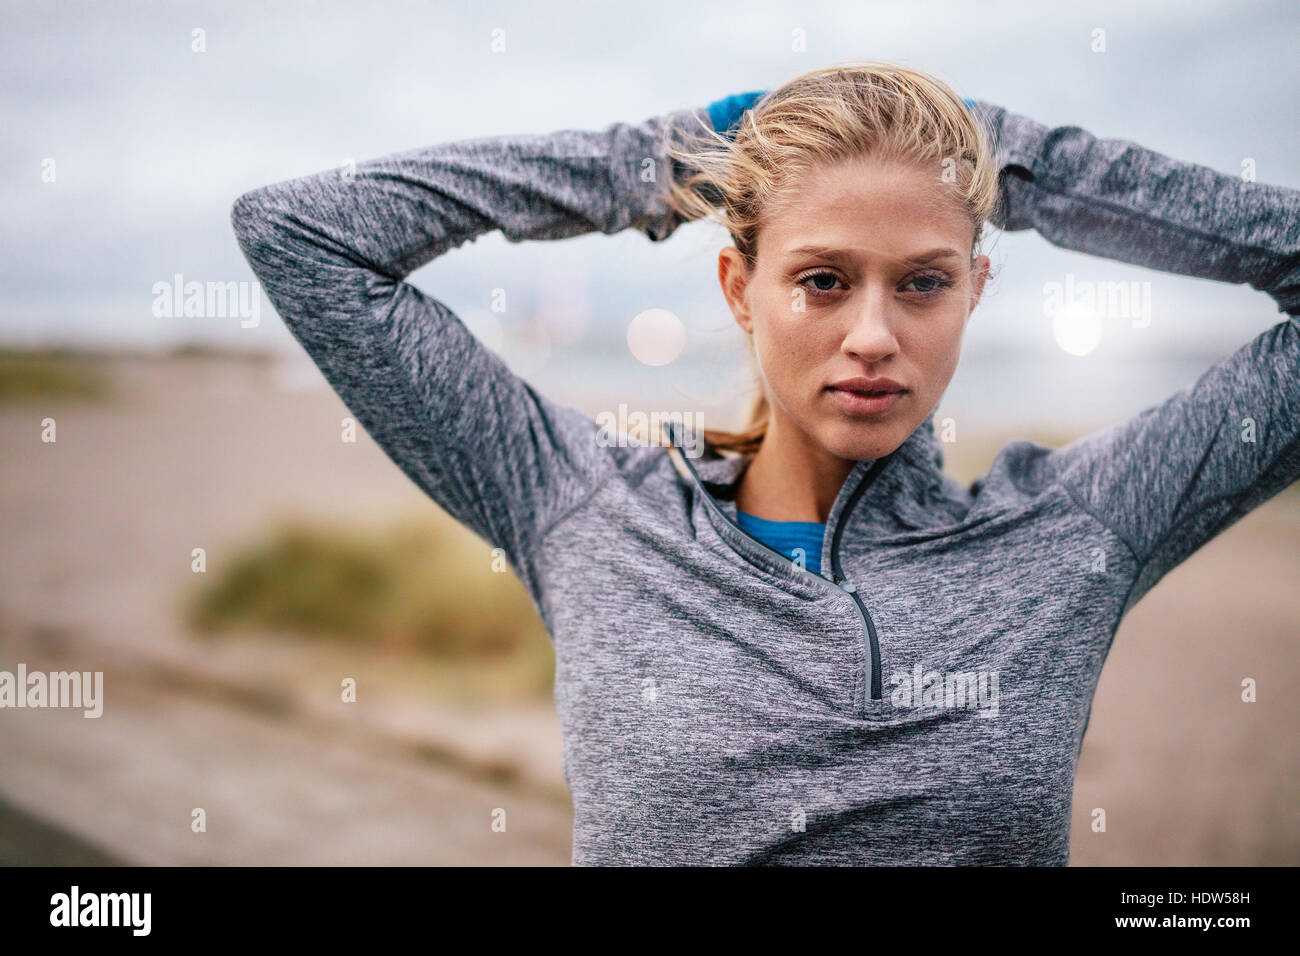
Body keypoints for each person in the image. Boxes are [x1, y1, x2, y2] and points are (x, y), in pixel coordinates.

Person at [230, 60, 1300, 865]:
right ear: (739, 289)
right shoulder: (585, 508)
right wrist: (646, 164)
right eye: (823, 279)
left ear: (977, 288)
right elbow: (301, 232)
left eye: (922, 283)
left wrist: (1014, 159)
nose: (874, 333)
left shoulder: (1069, 531)